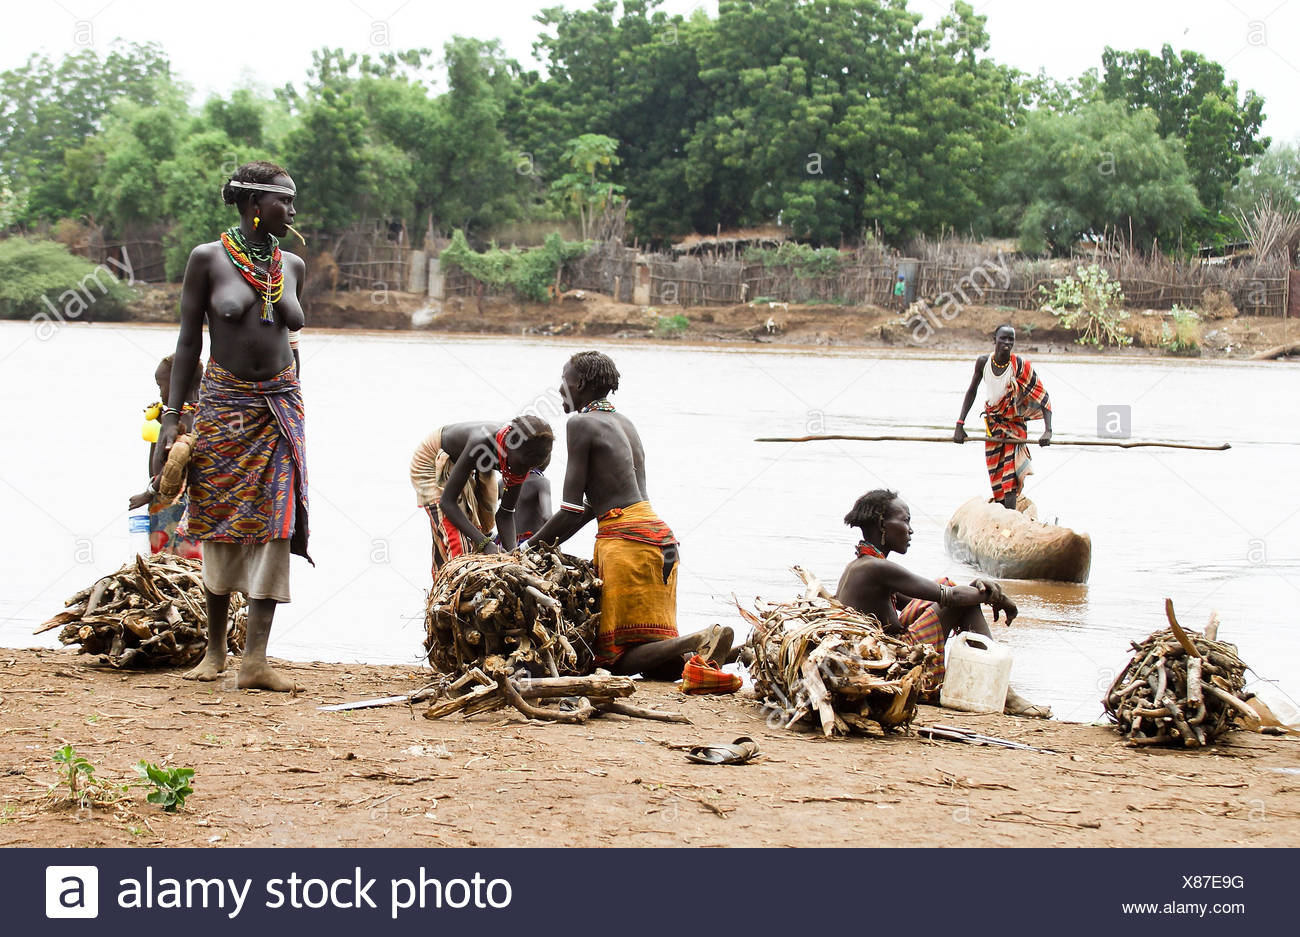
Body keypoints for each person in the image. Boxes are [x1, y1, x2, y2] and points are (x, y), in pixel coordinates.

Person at [152, 160, 308, 692]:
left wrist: (279, 279)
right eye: (282, 201)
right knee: (216, 517)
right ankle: (216, 650)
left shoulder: (291, 265)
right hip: (223, 404)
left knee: (276, 523)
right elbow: (188, 343)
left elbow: (291, 332)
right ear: (252, 205)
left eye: (292, 201)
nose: (291, 211)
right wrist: (174, 417)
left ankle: (256, 659)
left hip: (279, 409)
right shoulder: (208, 259)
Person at [529, 351, 737, 689]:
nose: (560, 389)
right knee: (661, 665)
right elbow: (592, 507)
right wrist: (542, 542)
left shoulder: (580, 423)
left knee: (613, 659)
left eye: (564, 381)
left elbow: (570, 508)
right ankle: (734, 654)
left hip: (627, 542)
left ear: (579, 383)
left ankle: (697, 638)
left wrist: (527, 547)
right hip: (661, 539)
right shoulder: (625, 423)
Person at [835, 489, 1051, 718]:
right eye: (905, 521)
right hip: (888, 668)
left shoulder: (863, 565)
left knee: (946, 585)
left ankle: (1001, 691)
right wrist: (995, 597)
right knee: (954, 595)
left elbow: (933, 597)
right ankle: (1006, 695)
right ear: (882, 524)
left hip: (883, 655)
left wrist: (975, 588)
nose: (910, 530)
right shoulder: (876, 568)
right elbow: (951, 598)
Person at [410, 416, 554, 574]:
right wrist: (485, 544)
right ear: (511, 442)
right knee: (457, 545)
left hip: (472, 465)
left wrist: (514, 555)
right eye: (522, 464)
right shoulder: (481, 442)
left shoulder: (520, 461)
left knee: (481, 524)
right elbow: (447, 502)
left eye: (531, 467)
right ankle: (449, 588)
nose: (524, 472)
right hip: (433, 459)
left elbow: (505, 514)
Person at [953, 324, 1052, 510]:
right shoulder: (983, 362)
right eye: (1003, 338)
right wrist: (960, 424)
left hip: (1015, 427)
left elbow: (1043, 397)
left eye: (1011, 339)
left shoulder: (1020, 366)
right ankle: (1002, 516)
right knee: (997, 477)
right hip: (993, 426)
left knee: (1009, 479)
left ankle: (1010, 518)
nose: (1007, 343)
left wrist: (1048, 431)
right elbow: (972, 391)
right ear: (994, 340)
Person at [129, 354, 204, 559]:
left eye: (161, 386)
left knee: (170, 558)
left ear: (178, 384)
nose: (160, 392)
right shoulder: (196, 414)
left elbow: (174, 463)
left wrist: (148, 493)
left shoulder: (183, 418)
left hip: (174, 505)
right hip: (188, 504)